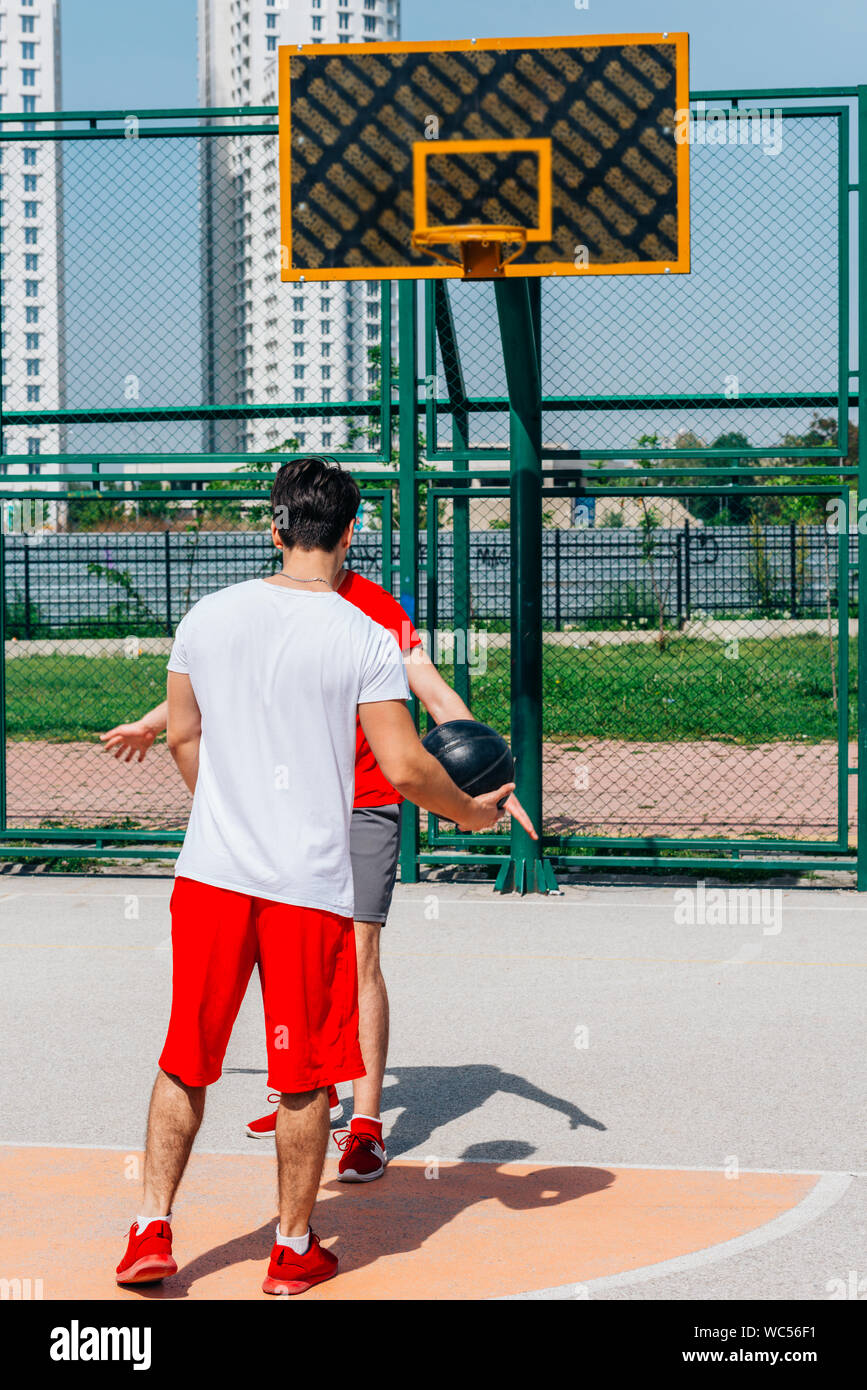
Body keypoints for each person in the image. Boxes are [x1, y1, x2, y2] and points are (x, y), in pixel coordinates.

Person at [114, 458, 513, 1296]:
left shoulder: (209, 615)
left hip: (211, 876)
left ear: (274, 527)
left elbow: (183, 735)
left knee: (187, 1056)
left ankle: (150, 1229)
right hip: (307, 888)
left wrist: (227, 810)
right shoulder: (362, 634)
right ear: (349, 533)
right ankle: (292, 1248)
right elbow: (404, 767)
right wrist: (471, 815)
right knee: (302, 1076)